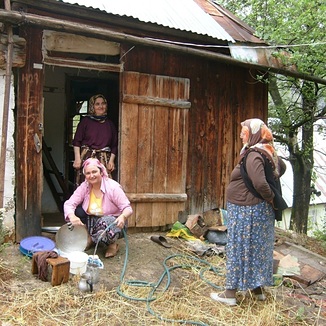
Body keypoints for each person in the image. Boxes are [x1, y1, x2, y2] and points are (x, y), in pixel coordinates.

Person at [210, 118, 287, 306]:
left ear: (253, 134)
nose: (241, 135)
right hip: (253, 210)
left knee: (240, 249)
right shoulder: (266, 151)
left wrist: (269, 197)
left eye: (244, 132)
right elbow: (280, 168)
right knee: (256, 249)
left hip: (248, 211)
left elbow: (260, 183)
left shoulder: (254, 154)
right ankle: (257, 290)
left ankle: (230, 294)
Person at [64, 157, 133, 258]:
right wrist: (72, 217)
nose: (91, 176)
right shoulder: (85, 187)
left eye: (94, 172)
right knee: (78, 212)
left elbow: (128, 208)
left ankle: (112, 244)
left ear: (101, 172)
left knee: (105, 221)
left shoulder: (113, 187)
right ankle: (90, 238)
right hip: (93, 220)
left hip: (113, 223)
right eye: (88, 173)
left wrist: (123, 217)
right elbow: (69, 204)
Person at [72, 94, 118, 186]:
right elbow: (77, 141)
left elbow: (114, 145)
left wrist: (111, 161)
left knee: (105, 186)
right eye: (97, 104)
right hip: (87, 158)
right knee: (86, 186)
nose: (101, 106)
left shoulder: (110, 124)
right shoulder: (85, 122)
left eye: (103, 103)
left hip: (104, 159)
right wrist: (77, 159)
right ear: (92, 106)